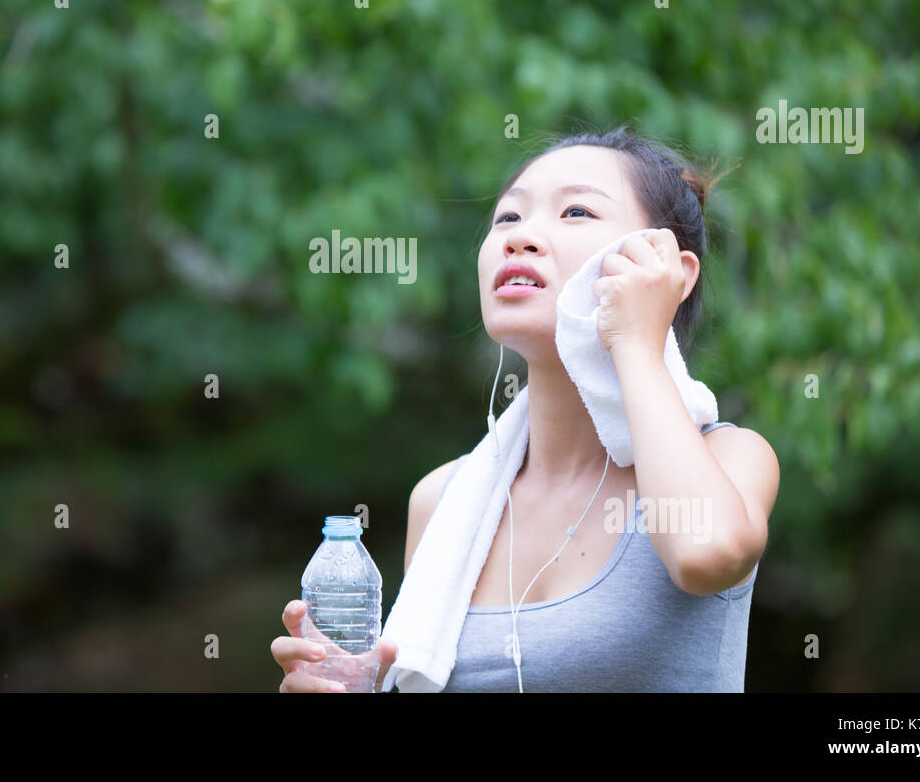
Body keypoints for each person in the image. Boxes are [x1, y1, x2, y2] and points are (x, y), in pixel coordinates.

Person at [273, 126, 780, 692]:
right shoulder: (444, 499)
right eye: (508, 218)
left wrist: (636, 340)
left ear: (668, 271)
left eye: (577, 212)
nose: (522, 237)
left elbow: (705, 554)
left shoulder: (730, 457)